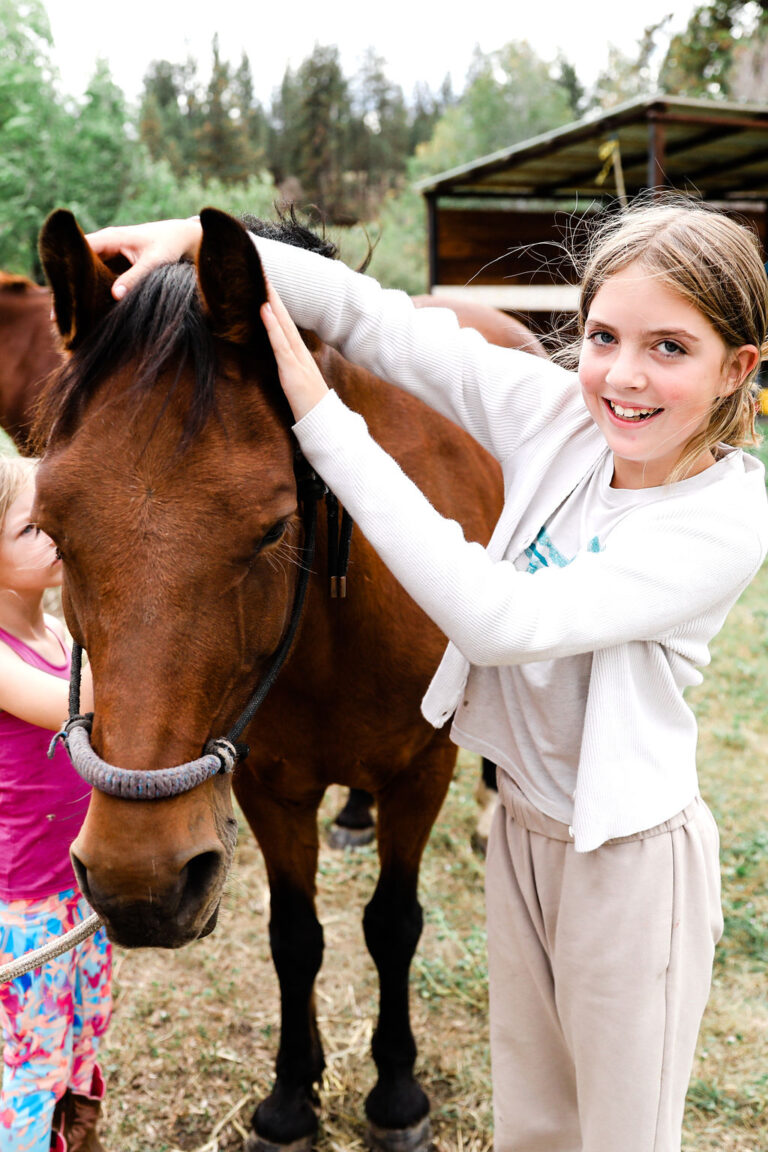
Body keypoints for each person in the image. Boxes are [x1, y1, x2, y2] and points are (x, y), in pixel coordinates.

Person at [87, 196, 768, 1152]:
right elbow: (380, 323)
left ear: (738, 367)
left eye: (670, 348)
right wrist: (203, 241)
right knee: (534, 1121)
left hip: (627, 861)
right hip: (526, 833)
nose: (622, 375)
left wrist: (326, 428)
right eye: (605, 335)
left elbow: (501, 621)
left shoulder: (724, 519)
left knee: (622, 1132)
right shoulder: (566, 425)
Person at [0, 455, 111, 1152]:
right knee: (27, 1067)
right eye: (32, 528)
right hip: (24, 907)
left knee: (83, 1031)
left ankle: (77, 1135)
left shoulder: (61, 633)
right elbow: (81, 702)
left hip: (79, 887)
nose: (56, 536)